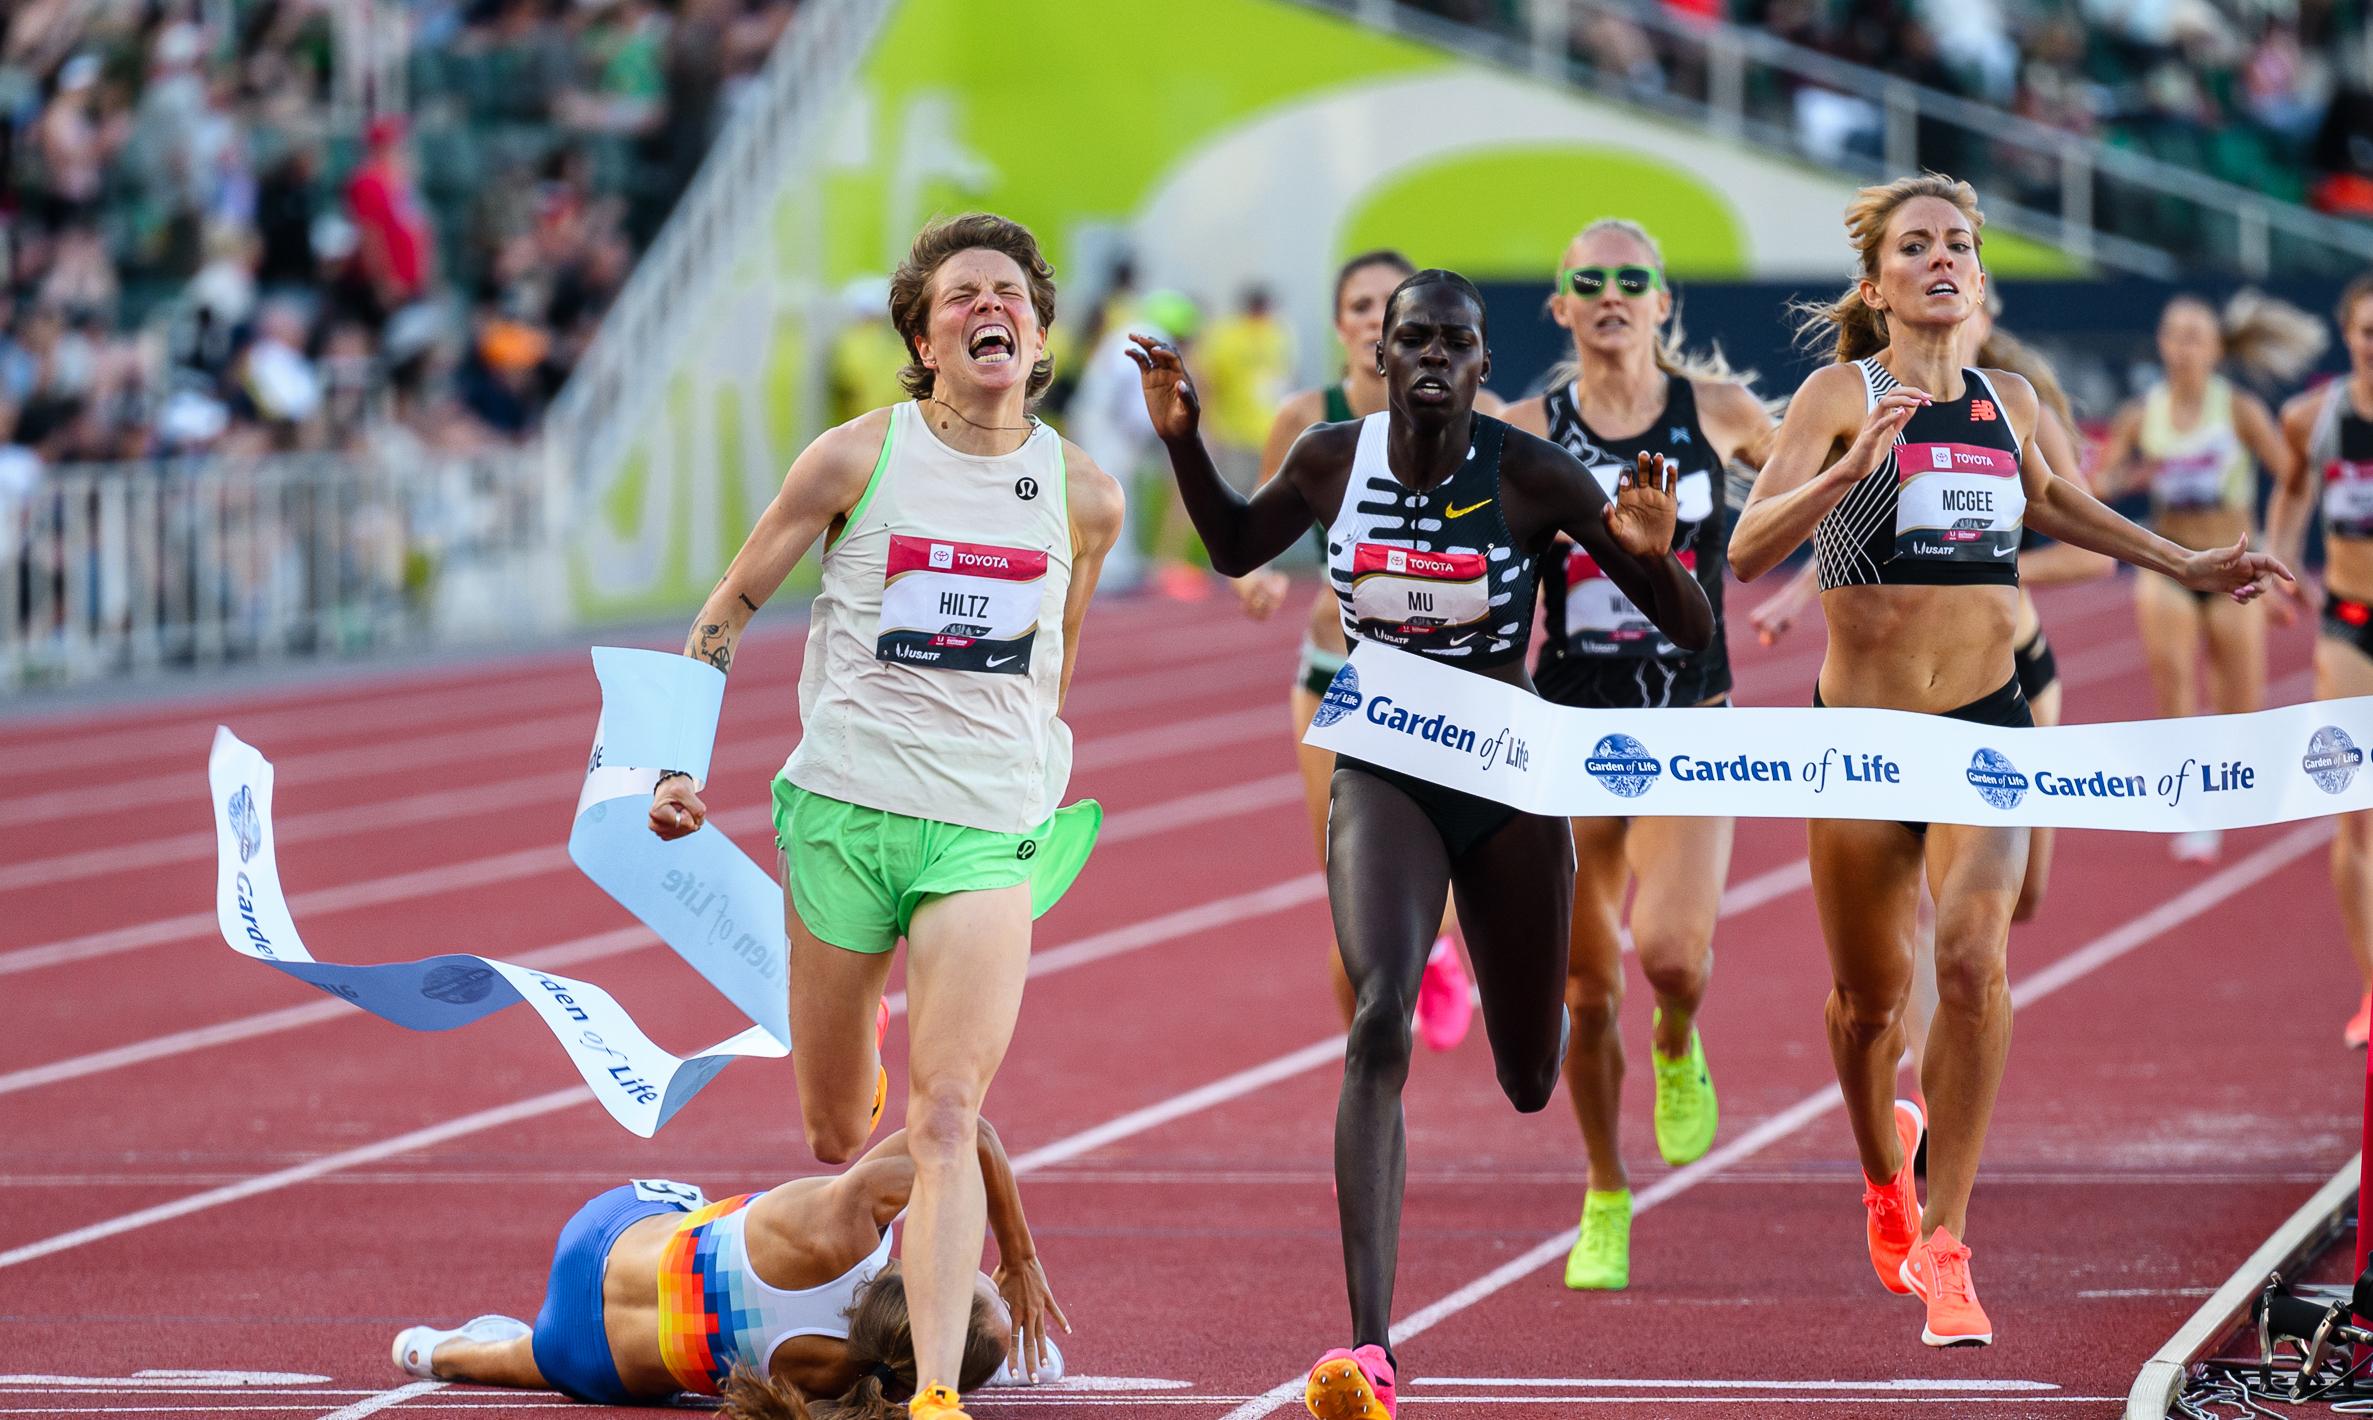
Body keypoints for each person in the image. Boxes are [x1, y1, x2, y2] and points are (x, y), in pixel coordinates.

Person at [1132, 269, 1711, 1418]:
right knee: (1379, 1010)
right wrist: (1184, 446)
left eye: (1455, 340)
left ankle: (1595, 1049)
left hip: (1505, 780)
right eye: (1414, 339)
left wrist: (1656, 554)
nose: (1434, 356)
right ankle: (1370, 1347)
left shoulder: (1533, 474)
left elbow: (1688, 639)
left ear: (1483, 363)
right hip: (1386, 768)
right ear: (1383, 356)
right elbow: (1240, 549)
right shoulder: (1331, 461)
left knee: (1531, 1076)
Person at [1731, 174, 2291, 1350]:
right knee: (1866, 1002)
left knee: (1977, 960)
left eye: (1959, 246)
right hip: (1864, 742)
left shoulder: (2012, 399)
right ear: (1877, 281)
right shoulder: (1844, 391)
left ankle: (1946, 1241)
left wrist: (2183, 561)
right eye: (1917, 245)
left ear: (1976, 277)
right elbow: (1745, 549)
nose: (1942, 260)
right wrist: (1847, 469)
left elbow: (2062, 505)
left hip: (1989, 725)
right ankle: (1884, 1178)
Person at [647, 212, 1125, 1420]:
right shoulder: (854, 459)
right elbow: (734, 598)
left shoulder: (1086, 494)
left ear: (1039, 328)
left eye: (1006, 291)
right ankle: (894, 1131)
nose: (986, 308)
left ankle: (939, 1398)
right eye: (961, 294)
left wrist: (1020, 772)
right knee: (829, 1127)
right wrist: (670, 761)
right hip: (846, 821)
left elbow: (1058, 660)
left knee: (949, 1105)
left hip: (983, 834)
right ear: (923, 333)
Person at [1498, 218, 1774, 1293]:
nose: (1611, 294)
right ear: (1561, 305)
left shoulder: (1721, 414)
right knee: (1584, 985)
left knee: (1670, 954)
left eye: (1632, 279)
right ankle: (1606, 1189)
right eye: (1588, 280)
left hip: (1689, 725)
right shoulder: (1524, 429)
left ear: (1664, 303)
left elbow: (1819, 490)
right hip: (1566, 732)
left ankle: (1680, 1036)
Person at [1751, 291, 2110, 927]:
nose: (1955, 287)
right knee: (1919, 935)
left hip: (2011, 665)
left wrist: (1985, 567)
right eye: (1920, 251)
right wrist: (1795, 592)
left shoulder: (2017, 401)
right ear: (1884, 294)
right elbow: (1859, 535)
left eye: (1962, 260)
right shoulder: (1861, 400)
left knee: (2021, 899)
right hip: (1883, 692)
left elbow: (2080, 537)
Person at [389, 1120, 1065, 1413]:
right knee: (532, 1359)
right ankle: (439, 1354)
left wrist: (1019, 1256)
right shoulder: (844, 1382)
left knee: (700, 1213)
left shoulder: (844, 1230)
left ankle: (468, 1348)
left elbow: (967, 1134)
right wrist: (976, 1363)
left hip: (598, 1237)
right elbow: (916, 1358)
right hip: (589, 1364)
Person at [1232, 249, 1477, 1050]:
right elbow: (1256, 536)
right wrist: (1258, 578)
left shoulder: (1482, 410)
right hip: (1336, 676)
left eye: (1392, 304)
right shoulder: (1307, 416)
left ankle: (1436, 943)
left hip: (1443, 680)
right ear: (1340, 325)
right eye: (1360, 304)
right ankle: (1370, 1078)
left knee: (1439, 878)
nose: (1376, 317)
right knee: (1355, 903)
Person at [2096, 292, 2319, 863]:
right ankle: (2193, 808)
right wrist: (2133, 473)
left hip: (2234, 571)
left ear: (2215, 348)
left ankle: (2220, 794)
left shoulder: (2238, 409)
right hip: (2170, 569)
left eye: (2194, 336)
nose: (2181, 348)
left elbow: (2292, 478)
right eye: (2173, 335)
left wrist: (2281, 552)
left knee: (2239, 703)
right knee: (2174, 688)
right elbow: (2094, 485)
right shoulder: (2142, 413)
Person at [2274, 272, 2373, 1048]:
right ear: (2348, 333)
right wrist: (2281, 562)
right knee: (2355, 815)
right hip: (2347, 623)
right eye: (2367, 329)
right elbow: (2291, 493)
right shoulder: (2314, 418)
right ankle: (2371, 988)